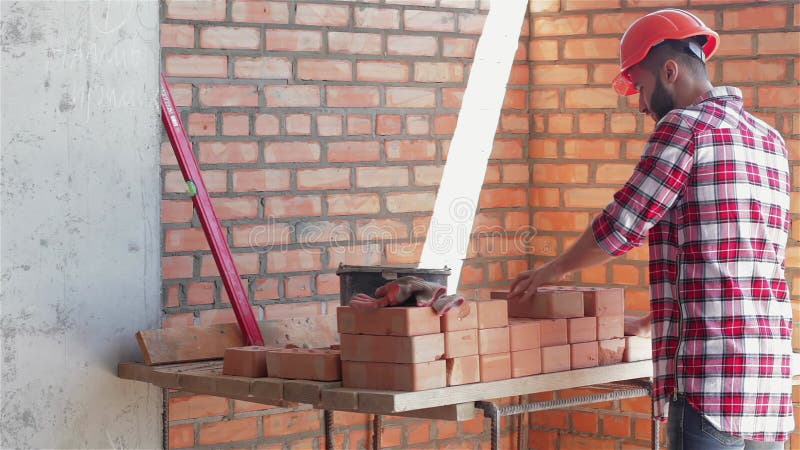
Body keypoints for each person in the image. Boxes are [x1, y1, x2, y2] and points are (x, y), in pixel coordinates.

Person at [509, 9, 793, 450]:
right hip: (766, 381)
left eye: (640, 87)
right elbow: (744, 260)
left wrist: (552, 271)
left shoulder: (684, 127)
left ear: (670, 71)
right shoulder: (768, 139)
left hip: (709, 382)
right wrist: (651, 322)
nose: (641, 104)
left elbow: (621, 226)